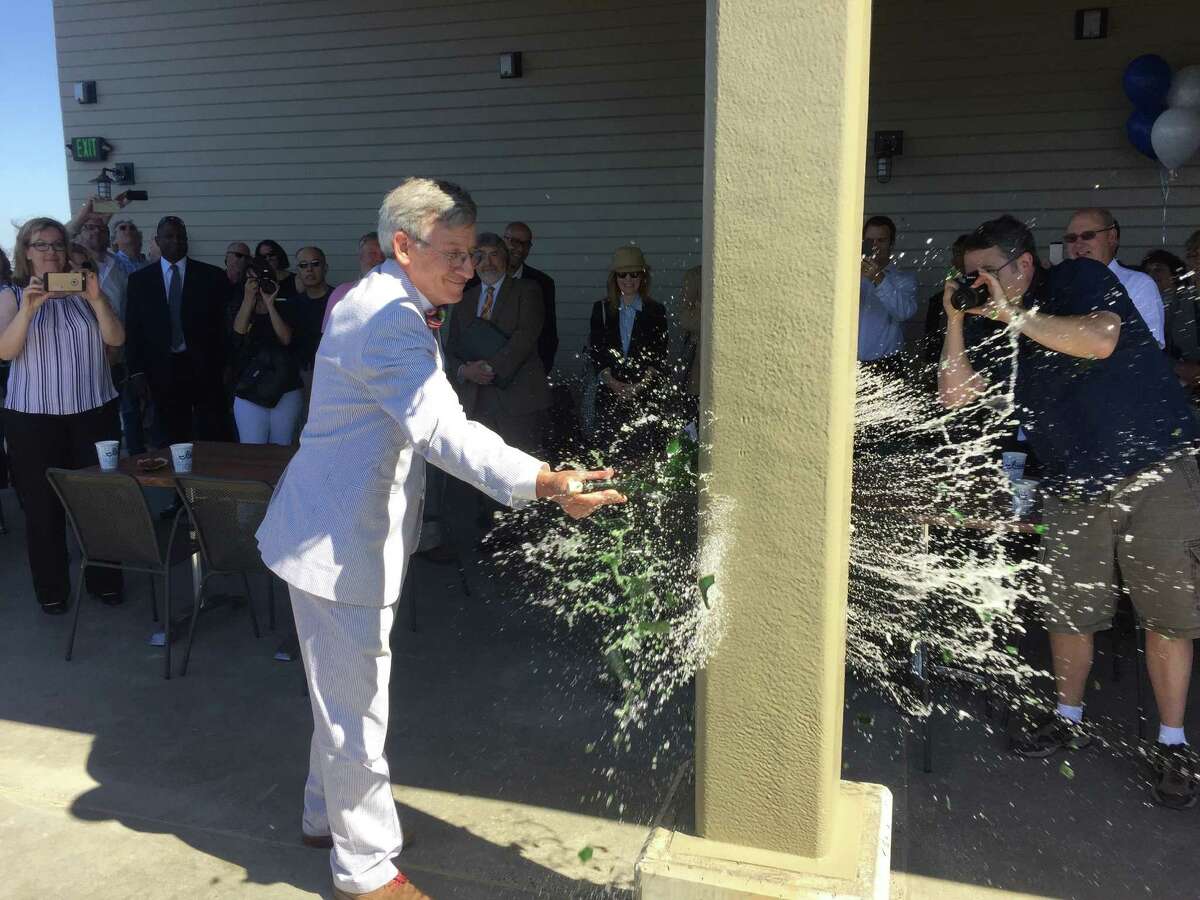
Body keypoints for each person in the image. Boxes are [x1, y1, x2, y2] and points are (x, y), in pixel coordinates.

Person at [256, 178, 623, 900]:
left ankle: (321, 816)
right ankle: (364, 870)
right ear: (403, 245)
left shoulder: (388, 303)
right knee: (356, 709)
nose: (467, 266)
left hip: (338, 531)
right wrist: (544, 481)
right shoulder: (387, 318)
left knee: (343, 692)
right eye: (453, 253)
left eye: (472, 252)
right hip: (335, 544)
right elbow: (440, 430)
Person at [937, 214, 1200, 809]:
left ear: (1023, 265)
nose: (979, 283)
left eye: (987, 272)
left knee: (1166, 613)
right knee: (1068, 608)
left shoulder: (1075, 279)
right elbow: (954, 394)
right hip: (1071, 481)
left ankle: (1173, 741)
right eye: (968, 275)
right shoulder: (990, 319)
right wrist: (956, 321)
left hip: (1153, 466)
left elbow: (1101, 338)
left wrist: (1018, 316)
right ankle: (1068, 718)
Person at [0, 218, 125, 613]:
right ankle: (52, 589)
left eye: (57, 244)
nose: (50, 251)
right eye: (41, 245)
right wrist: (29, 309)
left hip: (94, 411)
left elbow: (116, 339)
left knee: (99, 501)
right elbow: (5, 351)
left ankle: (105, 580)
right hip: (33, 418)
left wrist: (97, 299)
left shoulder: (86, 290)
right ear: (26, 251)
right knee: (42, 507)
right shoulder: (12, 294)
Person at [446, 233, 552, 531]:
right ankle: (489, 531)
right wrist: (465, 371)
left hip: (517, 398)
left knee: (520, 468)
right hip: (477, 399)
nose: (487, 261)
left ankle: (522, 536)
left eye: (494, 254)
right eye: (479, 255)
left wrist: (491, 368)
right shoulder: (464, 298)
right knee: (482, 468)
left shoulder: (527, 290)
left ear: (506, 258)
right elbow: (451, 346)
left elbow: (525, 337)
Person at [125, 216, 230, 444]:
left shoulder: (212, 276)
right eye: (169, 236)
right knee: (168, 434)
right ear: (157, 240)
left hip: (204, 365)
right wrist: (136, 372)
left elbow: (223, 327)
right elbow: (133, 329)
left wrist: (225, 365)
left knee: (210, 430)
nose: (176, 241)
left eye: (181, 236)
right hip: (160, 367)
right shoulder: (139, 281)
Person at [586, 245, 669, 459]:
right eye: (623, 274)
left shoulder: (655, 311)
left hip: (644, 395)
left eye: (635, 274)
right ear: (615, 277)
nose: (629, 279)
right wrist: (612, 383)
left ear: (643, 277)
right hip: (610, 396)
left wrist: (638, 387)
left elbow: (659, 354)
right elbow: (596, 351)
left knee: (643, 456)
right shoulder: (601, 309)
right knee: (611, 456)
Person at [1063, 207, 1164, 348]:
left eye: (1088, 235)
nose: (1078, 244)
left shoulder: (1139, 284)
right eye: (1071, 238)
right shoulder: (1061, 287)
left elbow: (1149, 348)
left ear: (1111, 237)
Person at [230, 265, 303, 445]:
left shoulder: (287, 304)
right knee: (252, 446)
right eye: (252, 281)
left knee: (282, 445)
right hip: (249, 387)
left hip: (285, 386)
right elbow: (238, 335)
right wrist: (249, 300)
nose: (257, 286)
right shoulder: (235, 305)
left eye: (262, 280)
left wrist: (270, 304)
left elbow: (286, 338)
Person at [858, 214, 918, 363]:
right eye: (870, 241)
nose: (875, 246)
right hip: (848, 362)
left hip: (887, 362)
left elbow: (904, 313)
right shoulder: (849, 277)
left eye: (881, 240)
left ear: (891, 243)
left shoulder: (903, 279)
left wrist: (878, 277)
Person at [503, 221, 558, 375]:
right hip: (483, 374)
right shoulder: (477, 278)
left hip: (526, 373)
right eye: (514, 242)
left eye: (525, 244)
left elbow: (549, 335)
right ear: (503, 241)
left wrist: (540, 372)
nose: (519, 248)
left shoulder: (542, 283)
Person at [1142, 248, 1200, 391]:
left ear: (1174, 275)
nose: (1151, 275)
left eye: (1158, 269)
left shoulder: (1190, 302)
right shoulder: (1143, 306)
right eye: (1147, 271)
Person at [322, 232, 386, 332]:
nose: (380, 259)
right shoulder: (342, 292)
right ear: (361, 256)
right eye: (373, 254)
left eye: (384, 254)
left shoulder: (404, 291)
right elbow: (327, 334)